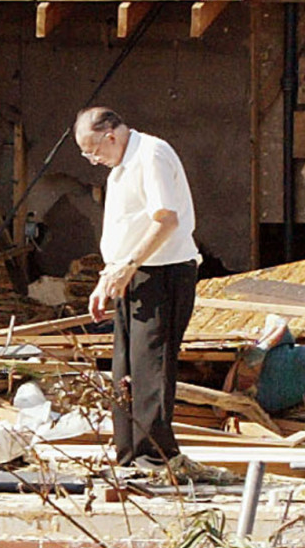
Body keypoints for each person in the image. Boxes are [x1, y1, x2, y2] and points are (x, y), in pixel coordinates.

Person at [75, 106, 212, 477]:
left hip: (163, 271)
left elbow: (166, 219)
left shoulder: (151, 154)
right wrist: (108, 276)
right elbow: (125, 228)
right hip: (130, 272)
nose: (94, 160)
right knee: (125, 366)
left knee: (152, 367)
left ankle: (156, 457)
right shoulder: (120, 167)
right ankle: (128, 454)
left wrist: (127, 266)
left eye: (93, 152)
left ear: (111, 136)